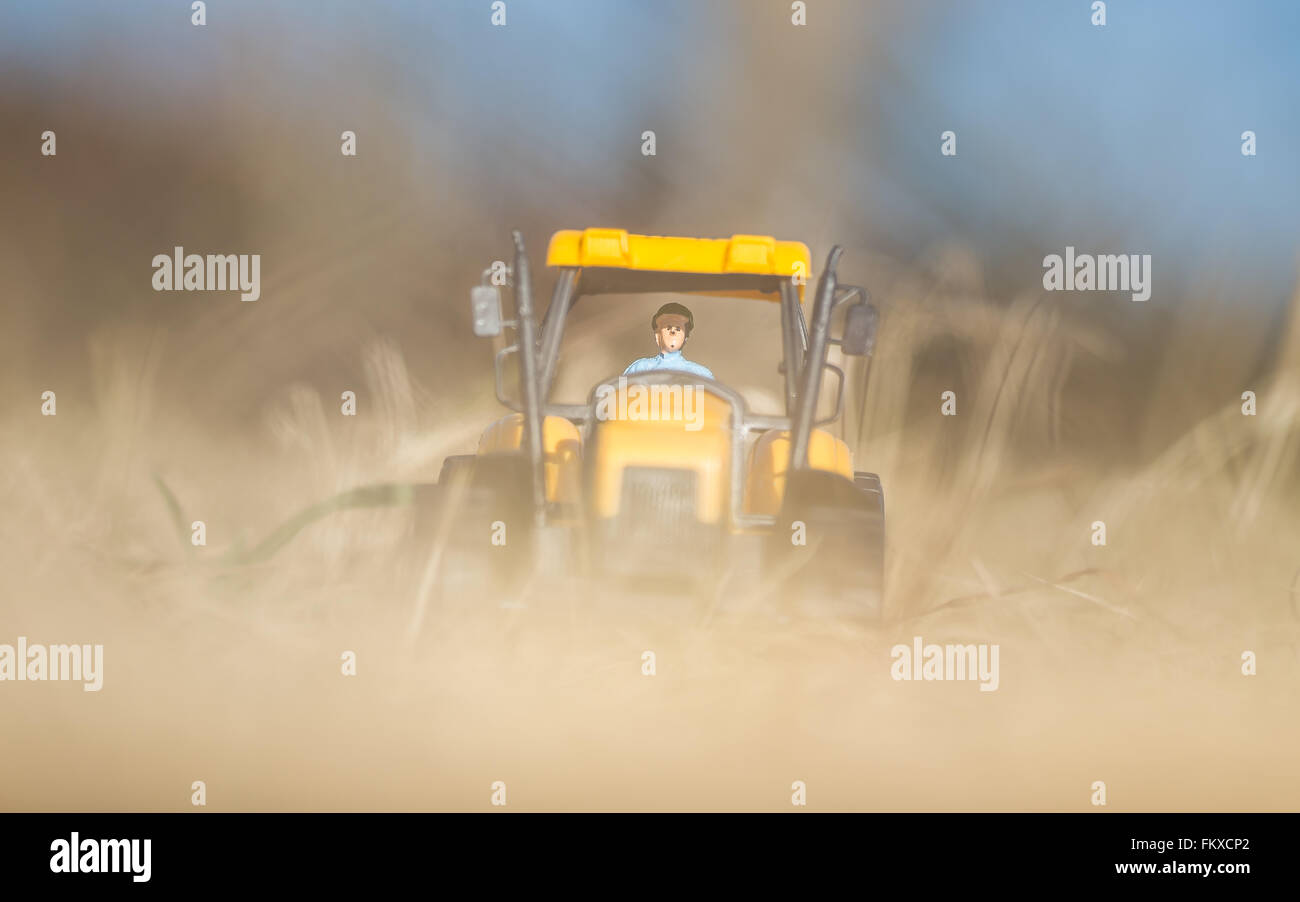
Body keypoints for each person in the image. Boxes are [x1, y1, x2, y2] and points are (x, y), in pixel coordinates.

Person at [623, 302, 713, 379]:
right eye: (668, 327)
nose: (673, 332)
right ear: (657, 336)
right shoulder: (640, 368)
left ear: (686, 338)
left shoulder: (700, 374)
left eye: (678, 329)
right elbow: (620, 396)